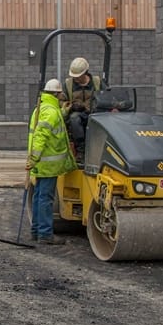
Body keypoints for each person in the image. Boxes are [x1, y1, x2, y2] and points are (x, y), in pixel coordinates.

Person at [26, 79, 76, 245]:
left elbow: (50, 123)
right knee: (46, 198)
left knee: (39, 196)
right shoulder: (51, 112)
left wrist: (64, 112)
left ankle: (36, 231)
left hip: (40, 163)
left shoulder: (42, 108)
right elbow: (41, 136)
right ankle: (46, 234)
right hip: (47, 164)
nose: (63, 95)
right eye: (60, 93)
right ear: (56, 94)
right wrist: (34, 158)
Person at [60, 57, 105, 161]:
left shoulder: (97, 82)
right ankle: (81, 150)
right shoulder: (68, 85)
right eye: (74, 76)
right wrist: (71, 106)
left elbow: (106, 96)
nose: (76, 79)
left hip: (95, 114)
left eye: (78, 76)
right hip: (78, 115)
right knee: (74, 118)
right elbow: (61, 101)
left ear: (85, 72)